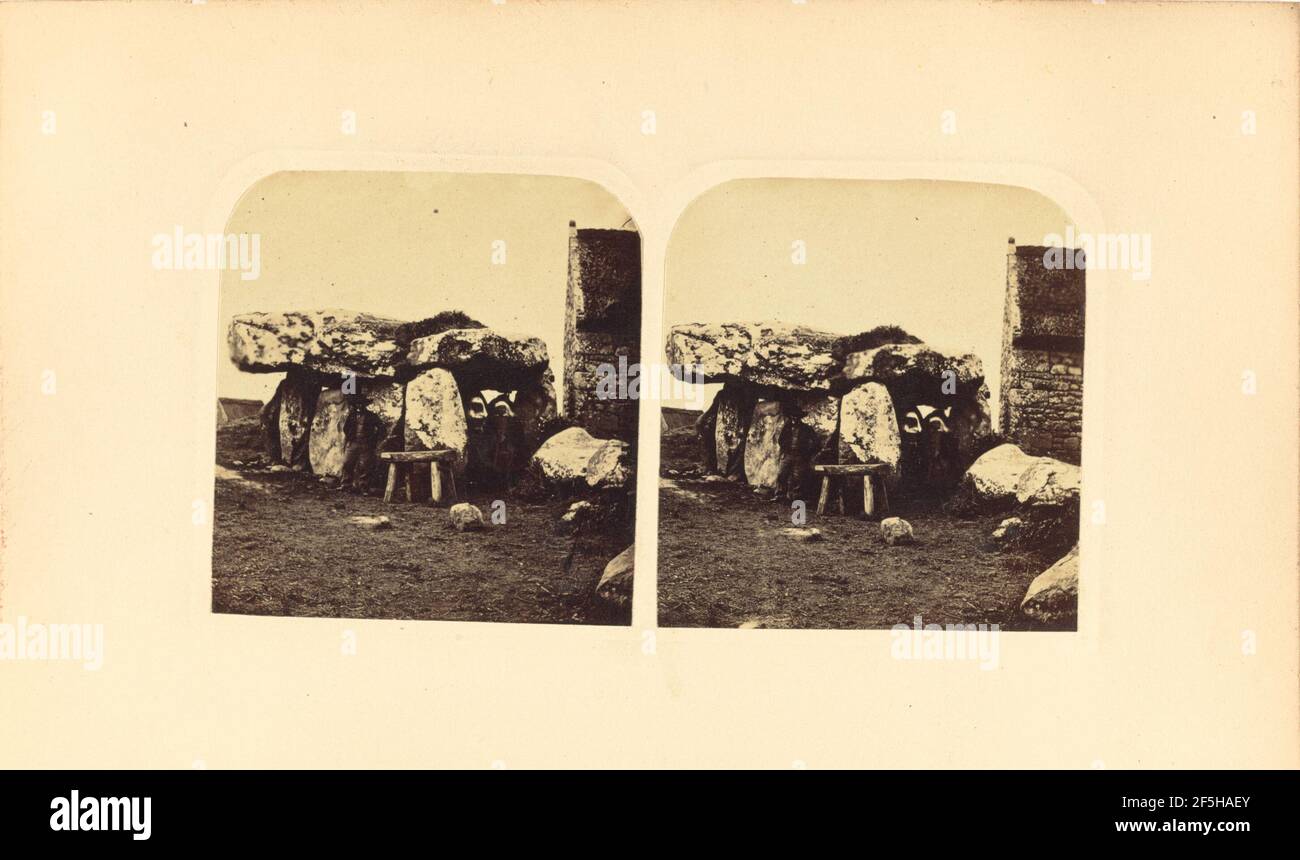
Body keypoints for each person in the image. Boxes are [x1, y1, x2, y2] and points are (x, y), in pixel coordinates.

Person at [341, 397, 383, 494]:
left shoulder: (372, 416)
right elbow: (345, 428)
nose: (359, 406)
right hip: (353, 443)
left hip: (366, 444)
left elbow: (381, 428)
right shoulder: (351, 416)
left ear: (365, 405)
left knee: (366, 465)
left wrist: (373, 439)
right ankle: (345, 485)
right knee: (347, 463)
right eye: (357, 404)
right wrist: (350, 436)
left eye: (361, 404)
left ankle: (364, 487)